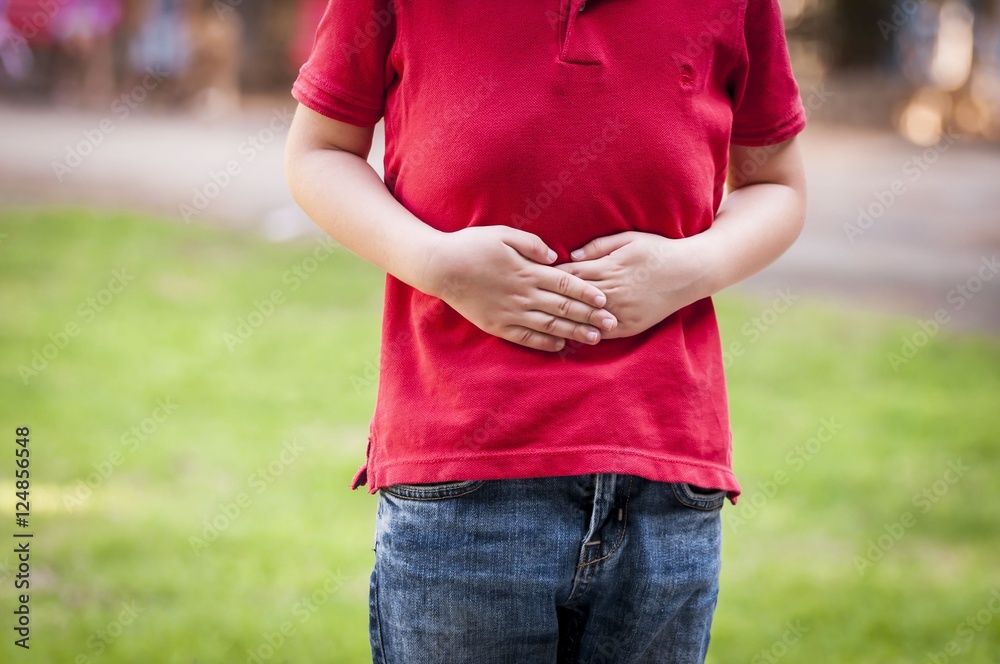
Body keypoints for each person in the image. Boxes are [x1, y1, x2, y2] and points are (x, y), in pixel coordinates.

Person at [285, 0, 807, 662]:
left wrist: (687, 269)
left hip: (664, 480)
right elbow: (319, 150)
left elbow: (778, 184)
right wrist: (435, 263)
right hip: (464, 478)